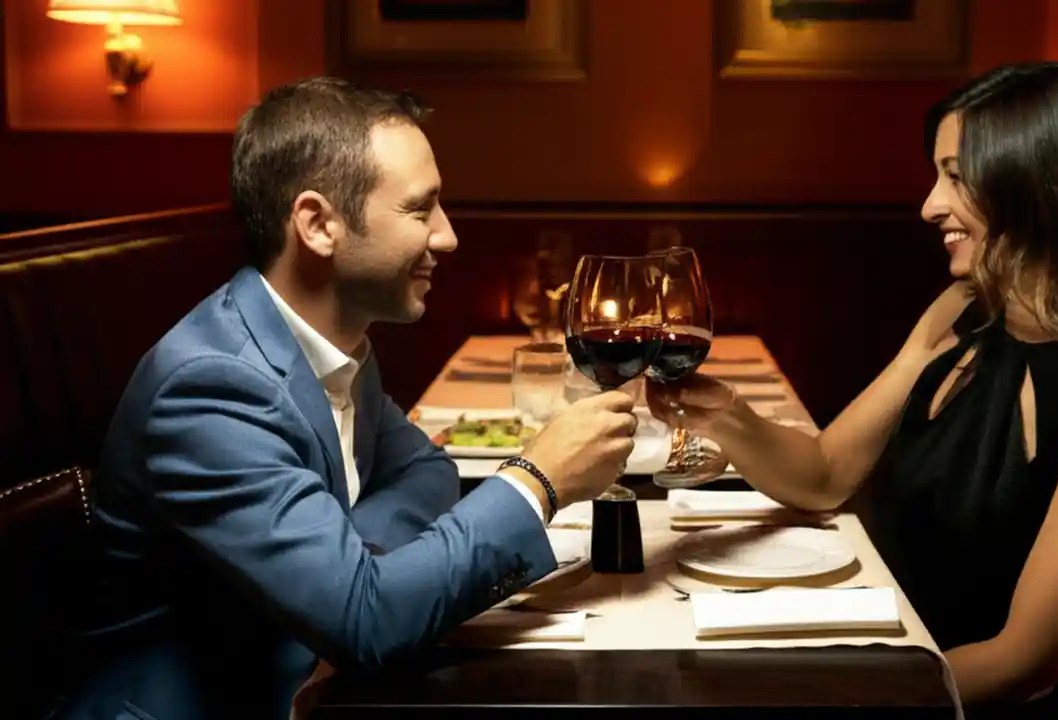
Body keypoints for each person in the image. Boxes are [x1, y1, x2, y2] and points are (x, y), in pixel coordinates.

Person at [62, 77, 638, 719]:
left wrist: (350, 560)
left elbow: (428, 471)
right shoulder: (211, 386)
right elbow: (368, 620)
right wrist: (538, 480)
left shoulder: (333, 345)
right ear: (317, 224)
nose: (446, 237)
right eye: (421, 210)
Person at [648, 62, 1058, 716]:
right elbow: (823, 473)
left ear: (1036, 184)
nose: (930, 205)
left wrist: (826, 700)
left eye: (954, 177)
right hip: (879, 651)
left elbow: (1024, 661)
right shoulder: (960, 312)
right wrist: (721, 413)